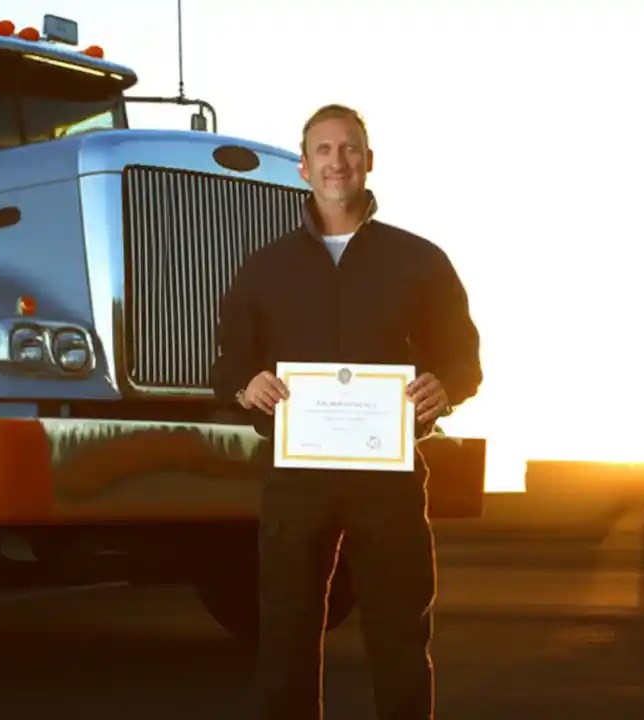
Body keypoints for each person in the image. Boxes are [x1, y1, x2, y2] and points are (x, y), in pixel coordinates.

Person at [210, 104, 482, 719]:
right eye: (325, 151)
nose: (338, 162)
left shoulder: (419, 261)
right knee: (285, 638)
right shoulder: (265, 268)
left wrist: (448, 387)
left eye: (350, 149)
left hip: (387, 477)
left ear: (369, 161)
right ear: (304, 168)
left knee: (399, 637)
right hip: (296, 478)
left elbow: (463, 359)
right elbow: (229, 363)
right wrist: (244, 386)